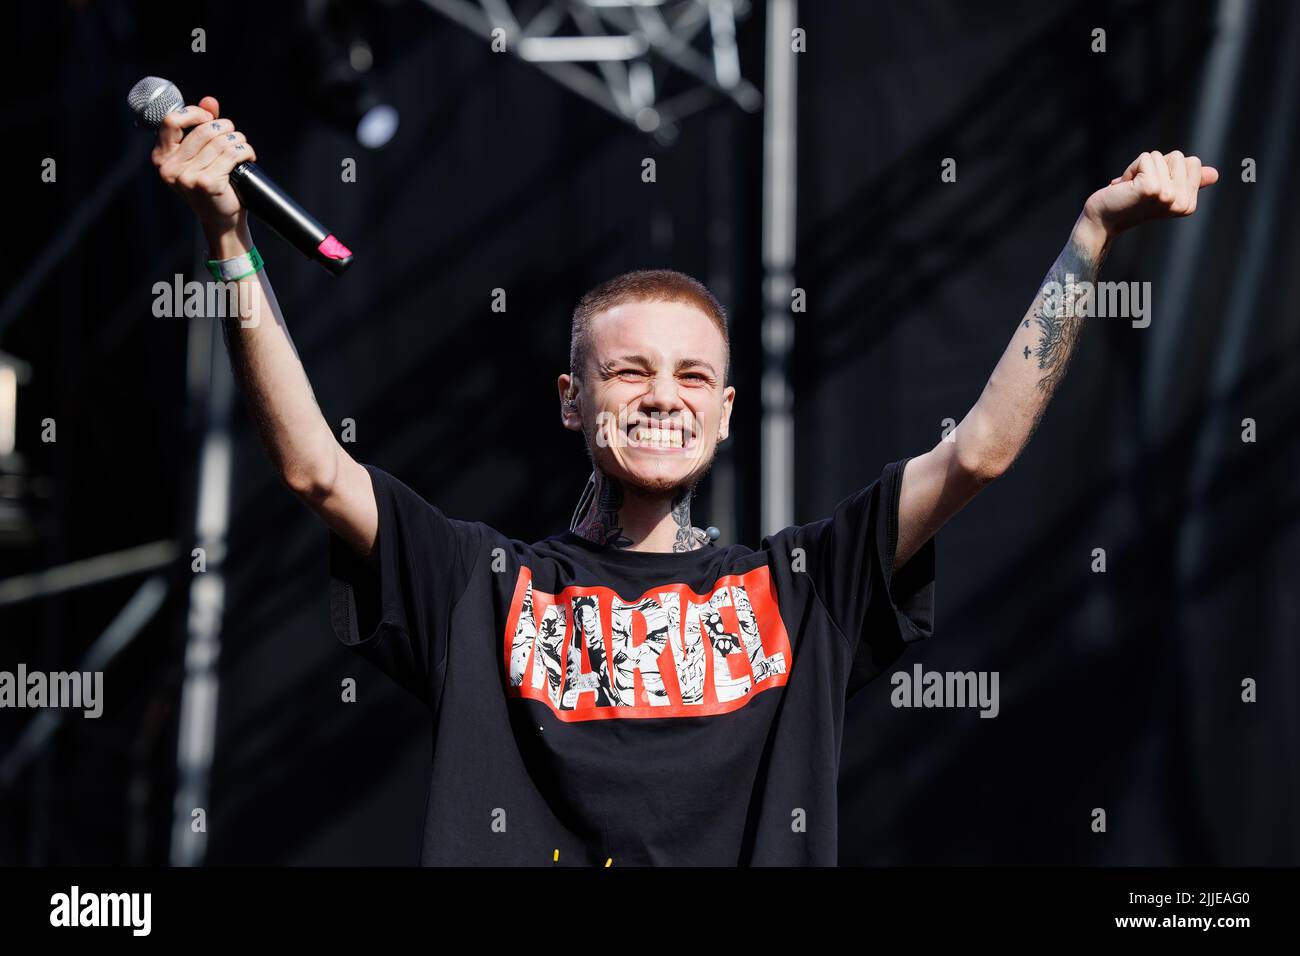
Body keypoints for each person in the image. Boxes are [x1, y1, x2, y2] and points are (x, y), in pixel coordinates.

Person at [152, 94, 1218, 865]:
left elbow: (978, 450)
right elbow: (313, 468)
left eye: (692, 376)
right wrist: (228, 237)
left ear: (722, 413)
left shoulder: (803, 585)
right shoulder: (481, 584)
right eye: (630, 370)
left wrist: (1090, 236)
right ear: (571, 398)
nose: (664, 395)